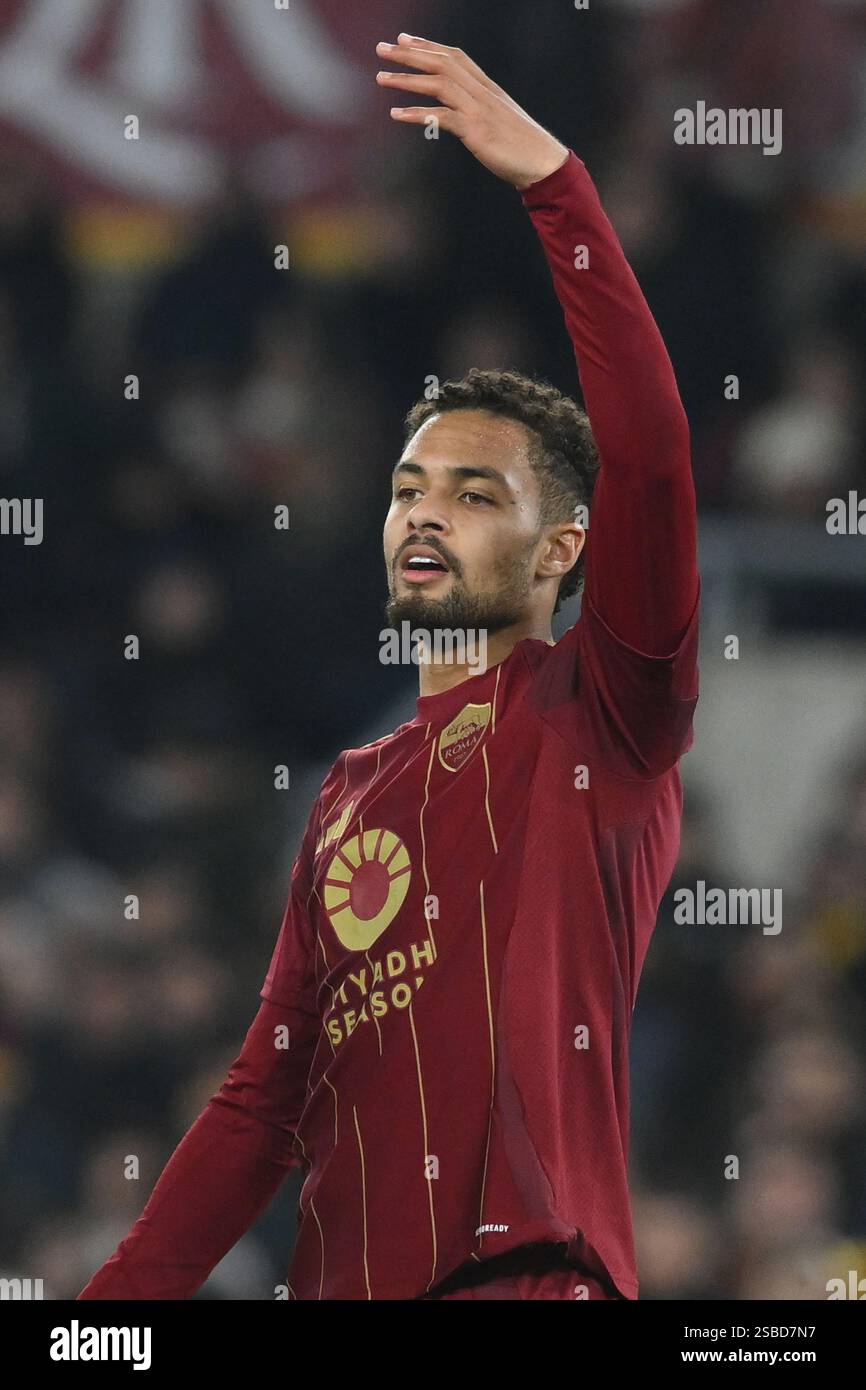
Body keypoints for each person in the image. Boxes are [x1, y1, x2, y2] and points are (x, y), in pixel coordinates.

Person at [79, 31, 699, 1302]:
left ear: (559, 549)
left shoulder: (601, 715)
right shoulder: (347, 792)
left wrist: (555, 191)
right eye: (410, 486)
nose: (424, 512)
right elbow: (263, 1103)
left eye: (476, 492)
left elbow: (648, 457)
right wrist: (94, 1328)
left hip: (529, 1283)